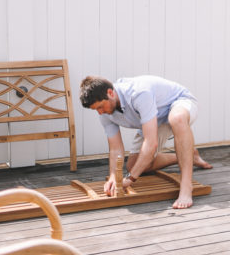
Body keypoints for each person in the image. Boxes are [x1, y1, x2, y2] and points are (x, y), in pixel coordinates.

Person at [79, 75, 212, 209]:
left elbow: (150, 142)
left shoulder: (139, 93)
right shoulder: (105, 113)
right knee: (134, 166)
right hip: (154, 119)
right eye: (96, 109)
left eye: (101, 107)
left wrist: (130, 179)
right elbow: (115, 148)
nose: (100, 112)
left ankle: (186, 186)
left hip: (179, 103)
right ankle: (189, 155)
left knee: (177, 118)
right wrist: (114, 176)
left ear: (110, 93)